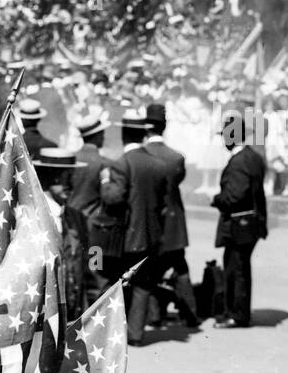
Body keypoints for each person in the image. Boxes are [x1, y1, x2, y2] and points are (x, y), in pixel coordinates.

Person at [114, 108, 169, 345]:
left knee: (119, 284)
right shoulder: (158, 165)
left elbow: (114, 201)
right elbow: (164, 204)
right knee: (144, 284)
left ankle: (116, 332)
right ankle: (136, 334)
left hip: (124, 235)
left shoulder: (121, 163)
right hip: (151, 234)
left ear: (123, 134)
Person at [143, 102, 201, 329]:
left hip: (151, 222)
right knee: (180, 268)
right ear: (164, 127)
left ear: (146, 129)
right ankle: (191, 314)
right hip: (174, 223)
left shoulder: (142, 156)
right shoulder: (177, 158)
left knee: (149, 269)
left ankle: (154, 315)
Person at [212, 111, 268, 328]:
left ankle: (237, 314)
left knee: (236, 269)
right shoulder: (253, 157)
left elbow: (234, 196)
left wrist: (216, 199)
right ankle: (238, 311)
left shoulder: (238, 162)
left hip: (238, 224)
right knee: (240, 267)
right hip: (252, 222)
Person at [67, 113, 127, 304]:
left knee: (73, 268)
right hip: (95, 229)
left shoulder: (70, 159)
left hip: (71, 226)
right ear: (96, 136)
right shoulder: (104, 164)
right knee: (95, 270)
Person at [33, 145, 90, 321]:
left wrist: (99, 284)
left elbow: (94, 252)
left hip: (74, 306)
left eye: (71, 177)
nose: (70, 185)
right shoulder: (32, 216)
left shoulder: (76, 217)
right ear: (47, 178)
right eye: (63, 178)